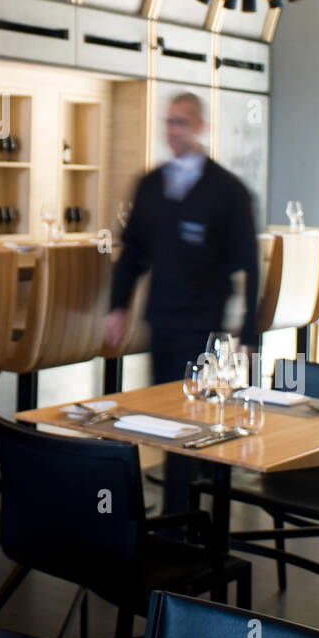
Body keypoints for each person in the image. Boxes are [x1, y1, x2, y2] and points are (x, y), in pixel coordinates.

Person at [104, 91, 258, 509]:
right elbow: (133, 251)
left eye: (182, 123)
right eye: (169, 122)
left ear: (200, 127)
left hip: (204, 324)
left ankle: (184, 515)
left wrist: (250, 333)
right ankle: (177, 516)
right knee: (164, 419)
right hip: (162, 317)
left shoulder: (228, 191)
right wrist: (117, 306)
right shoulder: (151, 184)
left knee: (191, 418)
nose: (173, 131)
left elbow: (249, 266)